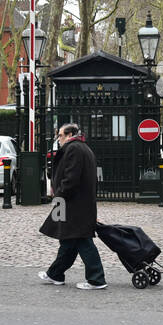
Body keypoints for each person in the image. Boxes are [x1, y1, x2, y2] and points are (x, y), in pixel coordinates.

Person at [38, 123, 107, 290]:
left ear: (69, 135)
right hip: (77, 203)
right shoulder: (82, 148)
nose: (58, 139)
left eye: (60, 135)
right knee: (68, 239)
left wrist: (59, 196)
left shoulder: (74, 149)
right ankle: (55, 274)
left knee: (82, 240)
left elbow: (71, 178)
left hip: (73, 203)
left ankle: (96, 279)